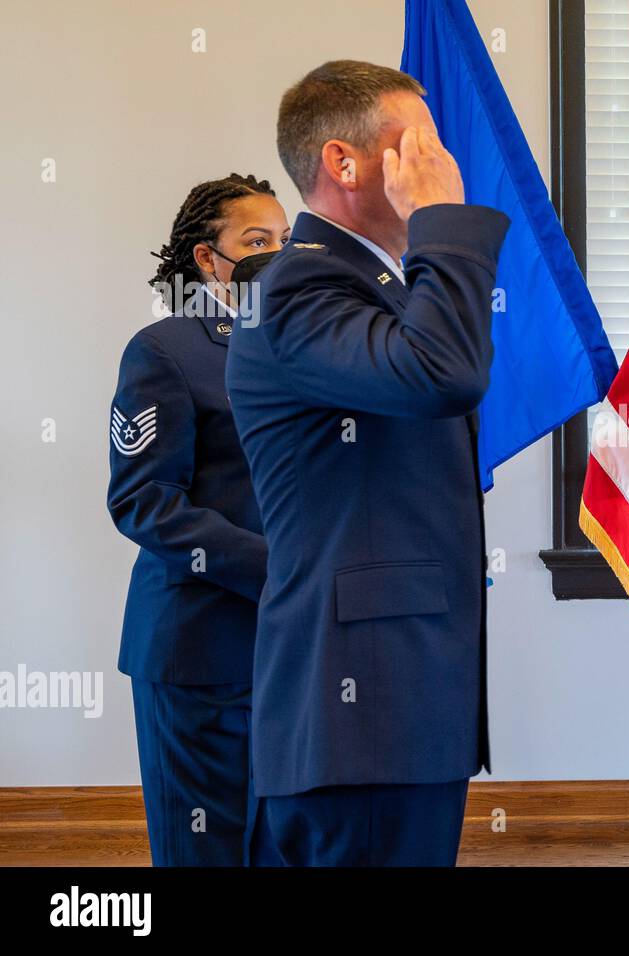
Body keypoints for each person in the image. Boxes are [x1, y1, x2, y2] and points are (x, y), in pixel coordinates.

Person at [225, 60, 510, 866]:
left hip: (402, 708)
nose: (439, 162)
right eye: (414, 143)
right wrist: (441, 221)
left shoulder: (373, 285)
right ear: (343, 164)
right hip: (363, 711)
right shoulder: (298, 287)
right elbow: (440, 373)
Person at [108, 173, 290, 865]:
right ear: (207, 259)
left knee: (280, 842)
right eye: (256, 241)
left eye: (286, 240)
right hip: (199, 645)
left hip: (291, 646)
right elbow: (143, 501)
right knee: (206, 848)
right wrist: (280, 570)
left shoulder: (300, 347)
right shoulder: (165, 351)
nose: (278, 254)